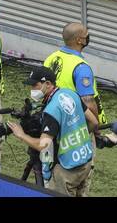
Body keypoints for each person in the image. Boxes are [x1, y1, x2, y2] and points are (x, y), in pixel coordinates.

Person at [7, 65, 97, 196]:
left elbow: (43, 145)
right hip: (85, 161)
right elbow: (94, 121)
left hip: (66, 168)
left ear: (48, 84)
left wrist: (21, 135)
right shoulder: (71, 93)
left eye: (35, 86)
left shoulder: (52, 110)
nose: (32, 90)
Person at [43, 22, 105, 128]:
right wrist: (96, 128)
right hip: (76, 124)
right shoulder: (81, 67)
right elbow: (88, 103)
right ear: (79, 40)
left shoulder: (51, 58)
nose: (88, 36)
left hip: (54, 118)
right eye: (86, 34)